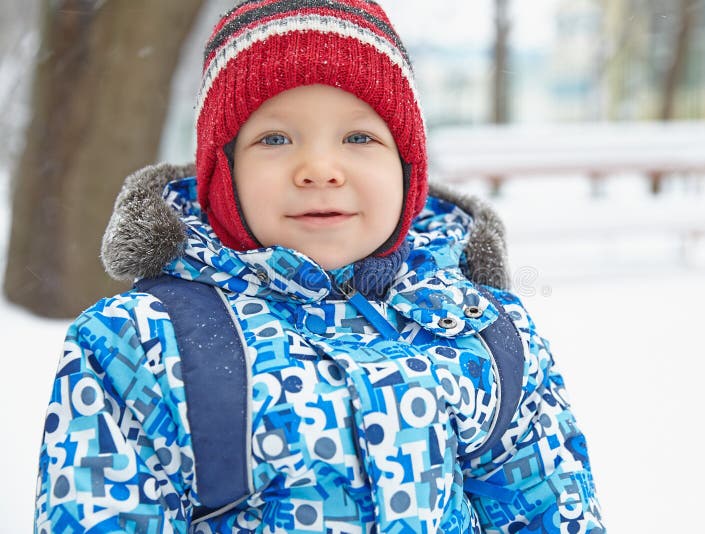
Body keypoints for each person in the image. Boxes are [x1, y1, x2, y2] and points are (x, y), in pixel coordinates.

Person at [34, 1, 604, 532]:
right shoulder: (139, 346)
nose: (319, 168)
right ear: (222, 177)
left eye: (359, 136)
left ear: (408, 171)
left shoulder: (484, 332)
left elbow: (547, 508)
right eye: (275, 138)